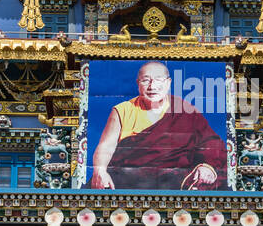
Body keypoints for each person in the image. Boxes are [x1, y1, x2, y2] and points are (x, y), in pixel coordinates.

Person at [88, 61, 226, 190]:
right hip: (127, 181)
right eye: (146, 80)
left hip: (175, 181)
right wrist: (100, 170)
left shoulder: (184, 110)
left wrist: (207, 166)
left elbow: (211, 143)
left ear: (168, 83)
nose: (152, 86)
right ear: (138, 83)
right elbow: (106, 146)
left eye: (158, 80)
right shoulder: (123, 110)